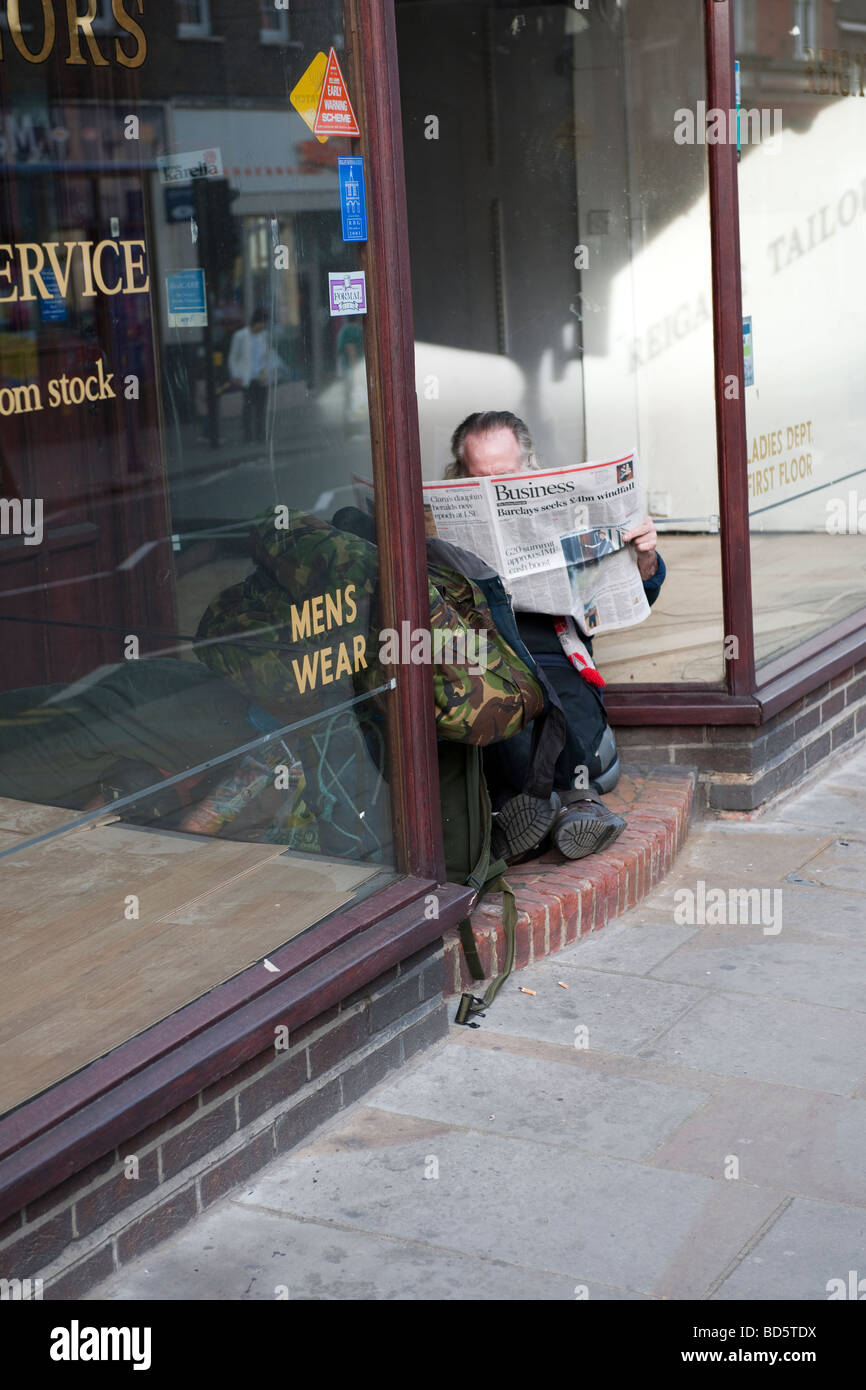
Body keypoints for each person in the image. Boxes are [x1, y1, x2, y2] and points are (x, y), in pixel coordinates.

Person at [445, 410, 667, 861]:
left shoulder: (566, 515)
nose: (493, 487)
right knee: (491, 700)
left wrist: (645, 556)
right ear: (459, 475)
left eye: (504, 477)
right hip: (486, 651)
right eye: (479, 478)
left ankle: (554, 808)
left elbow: (636, 592)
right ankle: (550, 807)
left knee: (559, 694)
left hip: (552, 647)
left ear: (529, 467)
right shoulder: (442, 524)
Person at [228, 308, 271, 444]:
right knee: (248, 408)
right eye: (262, 323)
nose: (263, 326)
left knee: (261, 409)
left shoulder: (263, 336)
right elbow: (233, 357)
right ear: (255, 322)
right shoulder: (240, 336)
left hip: (261, 378)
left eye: (265, 323)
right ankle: (248, 435)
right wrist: (235, 375)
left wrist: (266, 375)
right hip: (247, 378)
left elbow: (265, 358)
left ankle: (260, 434)